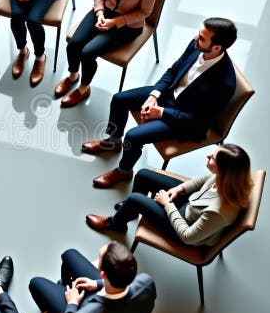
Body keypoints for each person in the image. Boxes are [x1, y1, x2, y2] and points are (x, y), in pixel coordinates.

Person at [82, 18, 238, 187]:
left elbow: (198, 122)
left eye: (201, 38)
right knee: (119, 99)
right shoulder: (196, 46)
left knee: (133, 136)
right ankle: (113, 141)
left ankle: (124, 171)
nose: (195, 38)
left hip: (184, 120)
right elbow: (172, 71)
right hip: (170, 94)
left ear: (216, 48)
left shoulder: (225, 84)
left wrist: (161, 112)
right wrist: (154, 96)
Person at [55, 0, 158, 107]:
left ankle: (84, 88)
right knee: (74, 44)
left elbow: (144, 12)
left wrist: (115, 22)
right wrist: (100, 13)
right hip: (104, 11)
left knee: (88, 53)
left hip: (128, 25)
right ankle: (73, 76)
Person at [87, 144, 253, 245]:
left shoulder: (218, 212)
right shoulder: (229, 179)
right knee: (143, 175)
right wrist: (179, 189)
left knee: (134, 199)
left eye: (213, 158)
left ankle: (117, 223)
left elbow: (188, 237)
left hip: (182, 227)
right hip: (191, 205)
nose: (208, 156)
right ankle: (131, 210)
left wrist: (167, 205)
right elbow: (202, 180)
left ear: (223, 170)